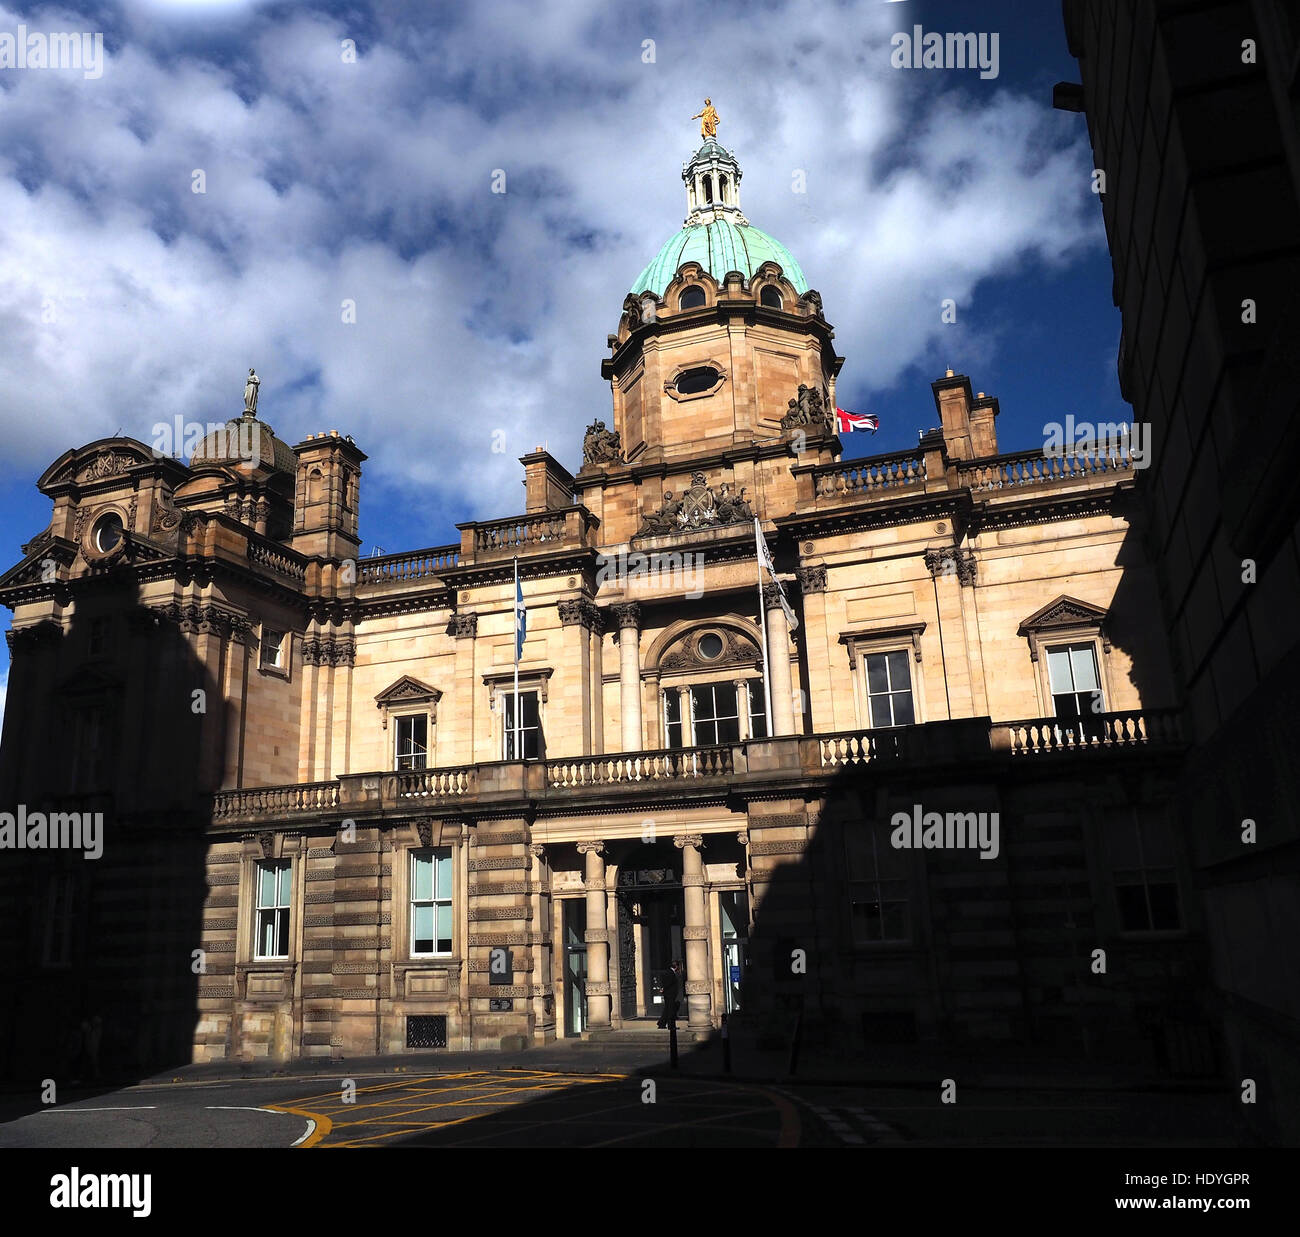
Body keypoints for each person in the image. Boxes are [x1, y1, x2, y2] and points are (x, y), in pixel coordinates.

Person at [657, 959, 684, 1028]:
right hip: (670, 994)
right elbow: (668, 983)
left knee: (667, 1009)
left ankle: (661, 1023)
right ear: (676, 966)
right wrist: (663, 988)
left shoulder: (668, 972)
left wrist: (663, 988)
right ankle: (671, 1026)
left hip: (668, 994)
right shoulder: (671, 973)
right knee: (671, 1011)